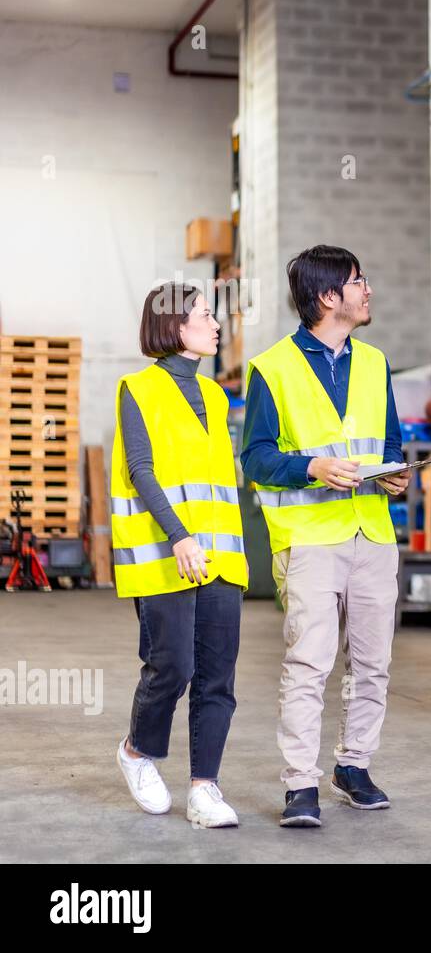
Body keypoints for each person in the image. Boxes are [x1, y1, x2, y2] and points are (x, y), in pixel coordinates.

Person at [241, 245, 409, 828]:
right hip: (309, 536)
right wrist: (311, 467)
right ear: (328, 297)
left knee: (373, 662)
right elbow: (257, 458)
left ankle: (354, 767)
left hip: (373, 533)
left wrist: (395, 474)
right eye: (359, 282)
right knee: (309, 663)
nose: (369, 291)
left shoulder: (375, 362)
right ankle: (299, 784)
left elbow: (388, 447)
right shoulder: (271, 368)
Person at [112, 282, 248, 828]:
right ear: (174, 325)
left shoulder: (216, 397)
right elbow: (140, 470)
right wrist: (179, 534)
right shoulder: (137, 389)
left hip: (220, 557)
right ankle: (138, 751)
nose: (216, 325)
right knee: (173, 665)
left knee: (217, 675)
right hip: (165, 554)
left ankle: (204, 788)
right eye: (206, 315)